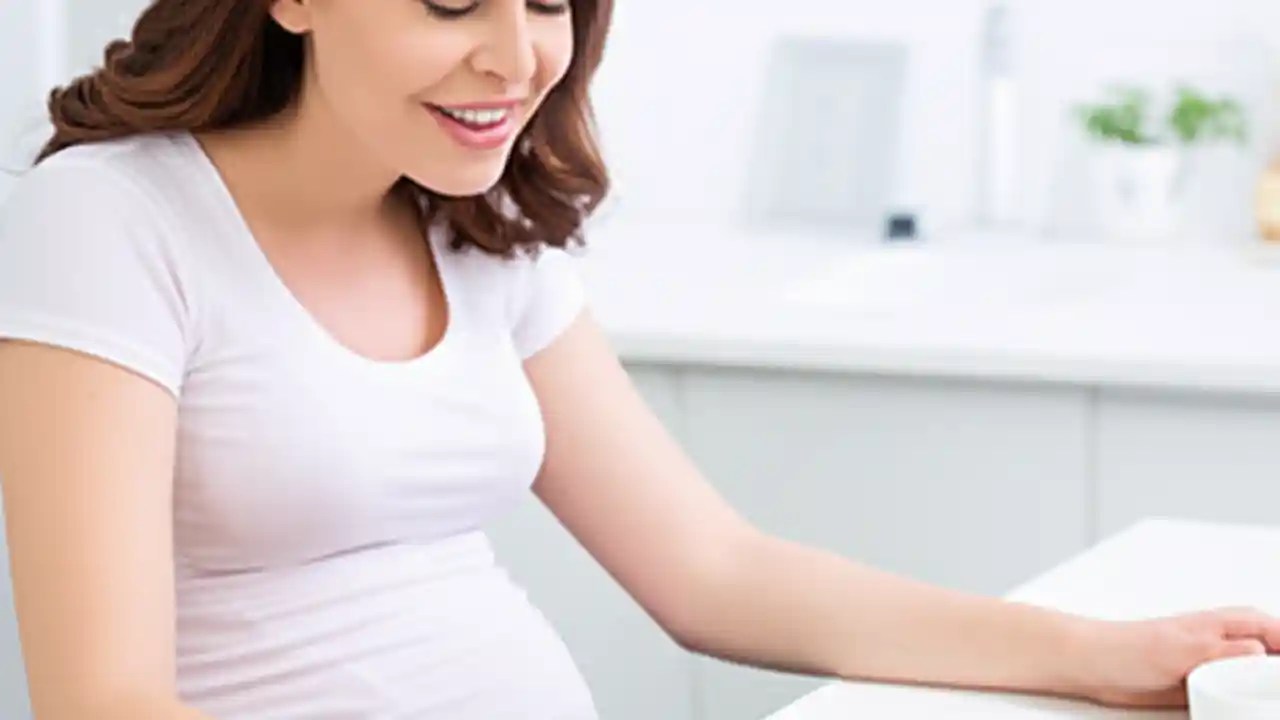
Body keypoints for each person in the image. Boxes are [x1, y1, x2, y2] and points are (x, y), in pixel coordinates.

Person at [0, 1, 1276, 718]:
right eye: (451, 1)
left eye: (547, 0)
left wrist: (1092, 655)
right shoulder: (111, 219)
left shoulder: (474, 223)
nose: (514, 57)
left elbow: (715, 574)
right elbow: (100, 702)